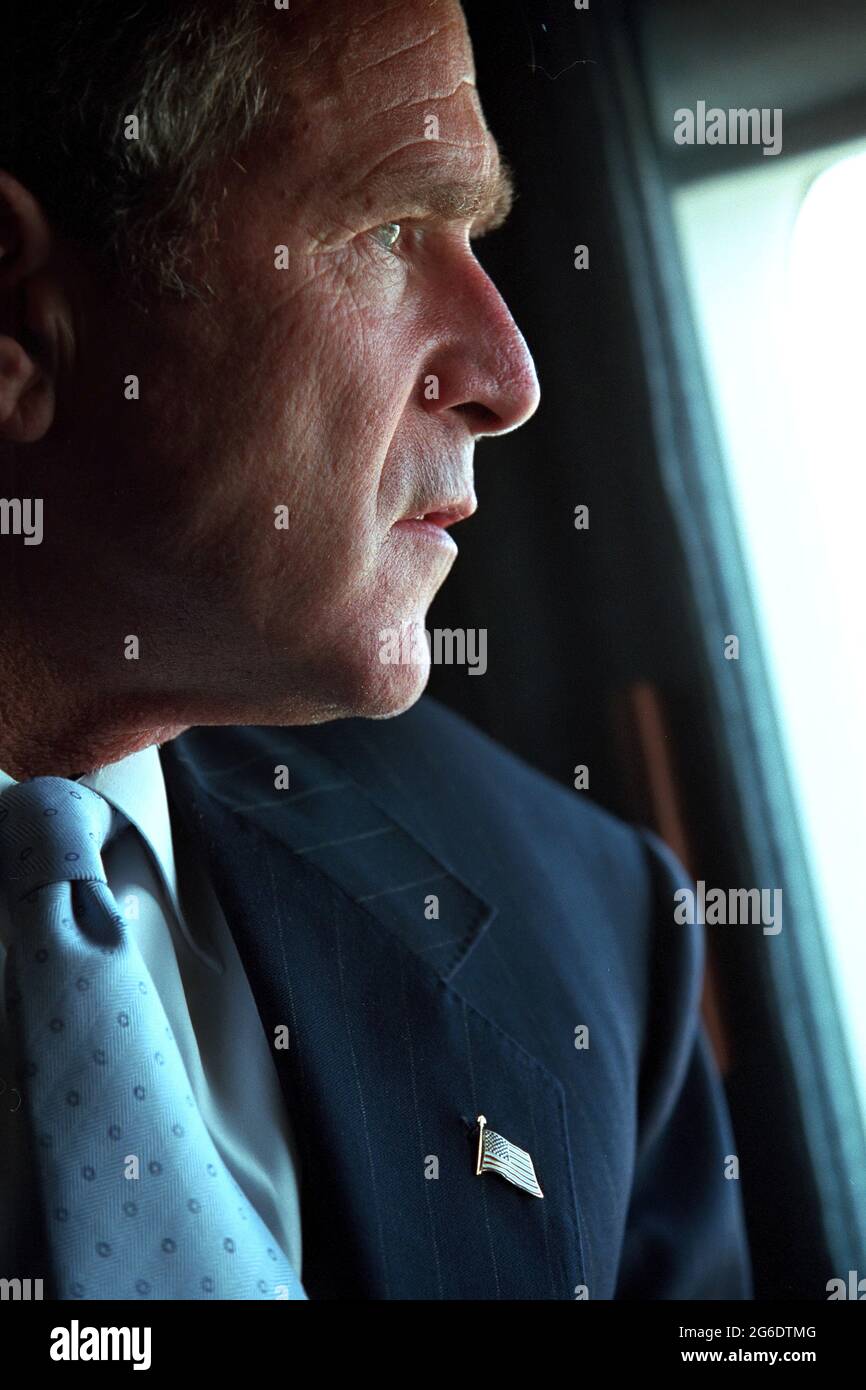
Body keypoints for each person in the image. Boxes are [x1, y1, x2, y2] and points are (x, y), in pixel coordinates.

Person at [0, 0, 751, 1299]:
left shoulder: (588, 926)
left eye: (475, 238)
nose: (507, 378)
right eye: (391, 227)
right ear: (18, 325)